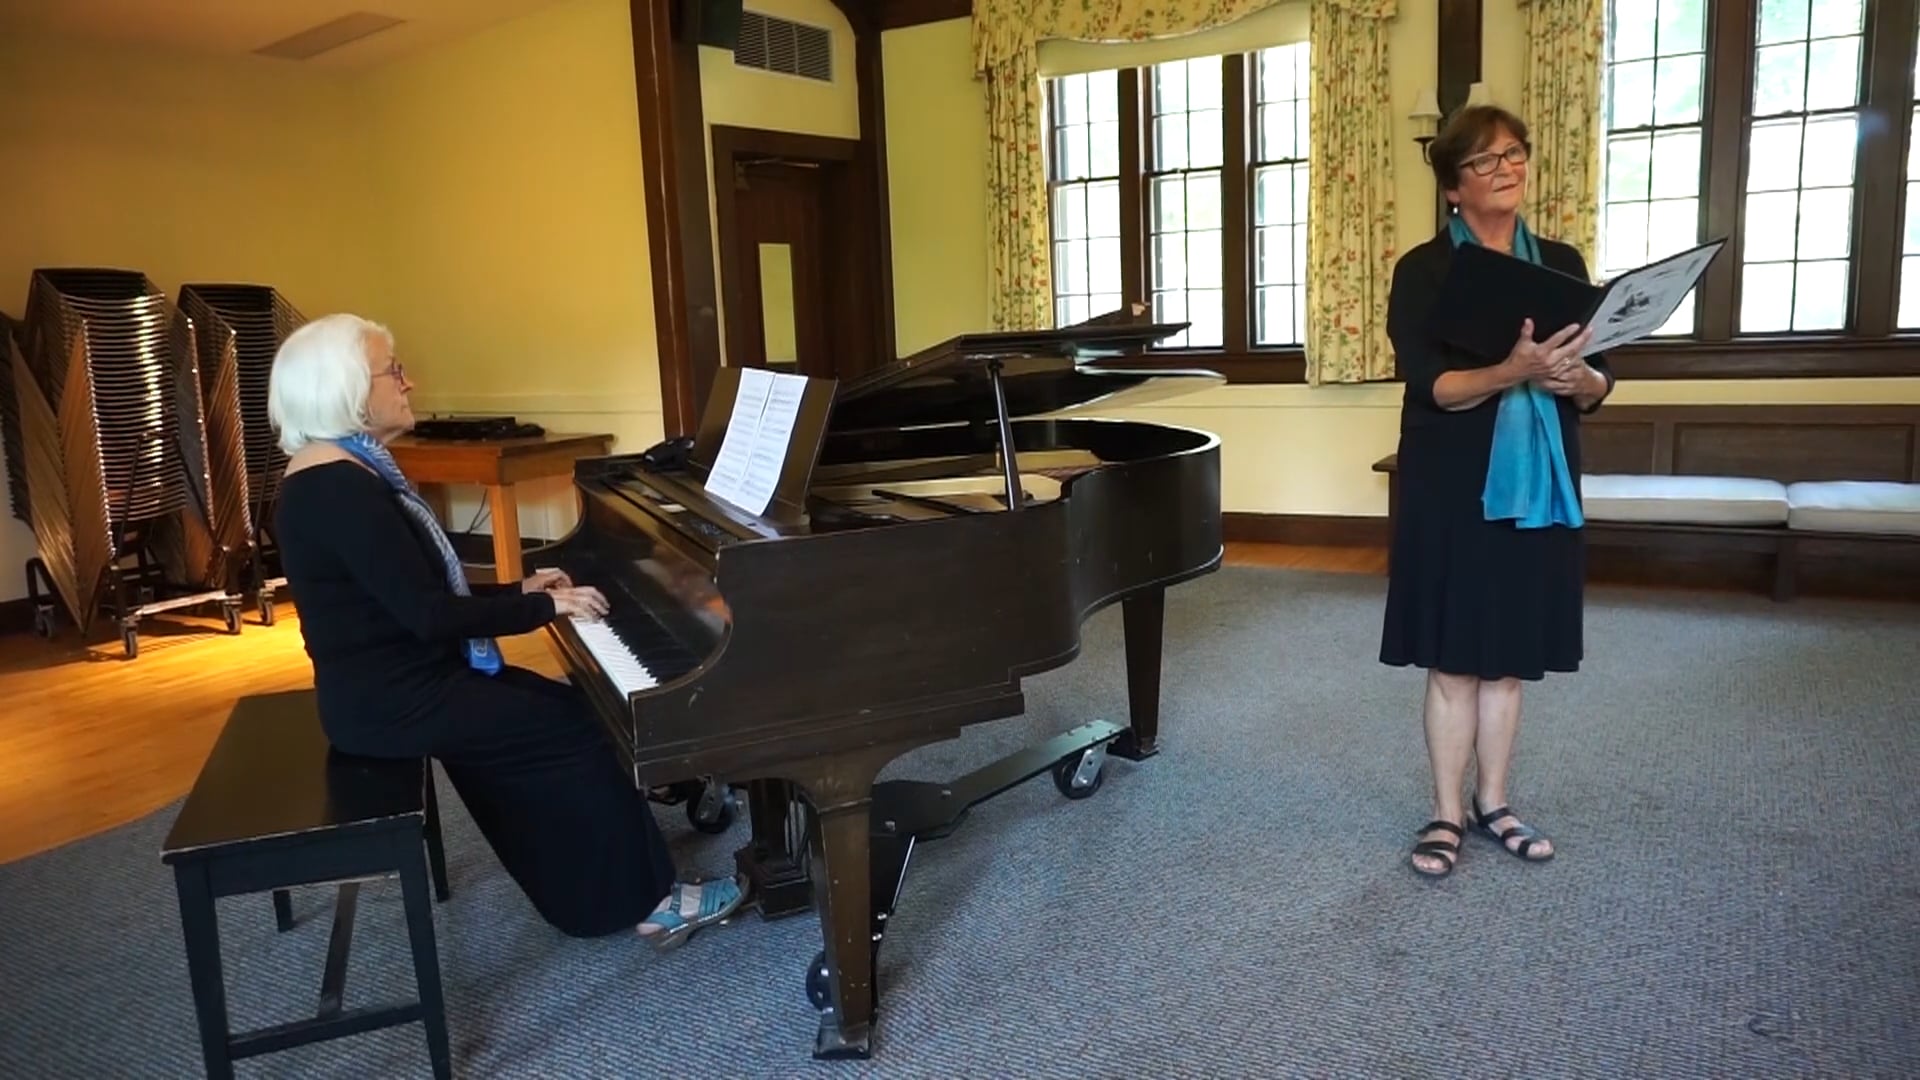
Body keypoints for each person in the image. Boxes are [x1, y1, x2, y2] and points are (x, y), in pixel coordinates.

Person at [266, 312, 745, 942]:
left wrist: (518, 589)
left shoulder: (335, 471)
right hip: (394, 702)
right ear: (347, 391)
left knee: (577, 709)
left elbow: (412, 593)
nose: (408, 383)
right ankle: (641, 902)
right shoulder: (341, 489)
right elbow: (431, 614)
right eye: (394, 370)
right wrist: (543, 608)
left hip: (396, 682)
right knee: (575, 727)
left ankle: (596, 868)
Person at [1378, 105, 1615, 877]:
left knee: (1507, 658)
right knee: (1453, 659)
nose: (1506, 168)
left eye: (1515, 153)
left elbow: (1597, 381)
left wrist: (1580, 378)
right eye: (1484, 161)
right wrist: (1513, 371)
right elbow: (1433, 385)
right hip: (1452, 479)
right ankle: (1446, 813)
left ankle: (1495, 801)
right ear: (1453, 188)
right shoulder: (1423, 271)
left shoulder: (1562, 262)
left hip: (1538, 477)